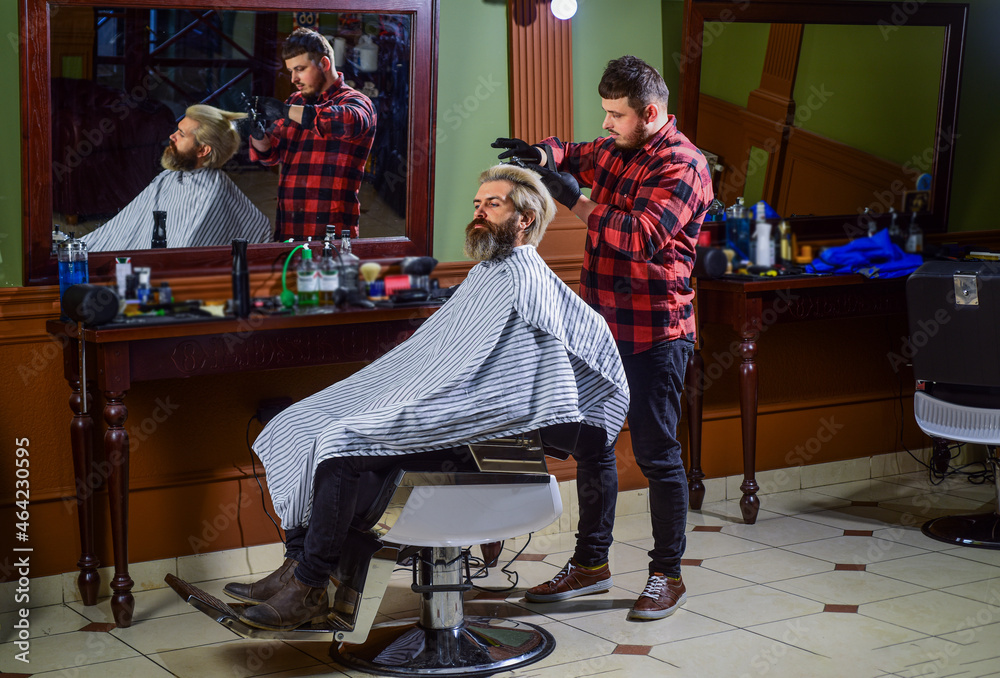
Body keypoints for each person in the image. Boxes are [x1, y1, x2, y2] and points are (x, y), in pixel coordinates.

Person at [224, 163, 629, 631]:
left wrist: (428, 406)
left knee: (343, 440)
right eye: (477, 205)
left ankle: (311, 585)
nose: (478, 214)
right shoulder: (489, 275)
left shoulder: (526, 282)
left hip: (488, 432)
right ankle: (297, 571)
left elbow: (517, 383)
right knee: (298, 423)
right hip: (460, 412)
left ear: (525, 219)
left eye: (492, 205)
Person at [493, 54, 714, 620]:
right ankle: (591, 564)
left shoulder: (684, 165)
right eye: (605, 112)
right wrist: (542, 154)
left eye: (616, 115)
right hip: (601, 329)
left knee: (657, 456)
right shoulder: (617, 145)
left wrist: (574, 199)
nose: (607, 124)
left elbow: (639, 236)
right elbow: (575, 153)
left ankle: (668, 575)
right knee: (592, 447)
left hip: (656, 333)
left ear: (651, 113)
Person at [79, 105, 271, 251]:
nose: (172, 136)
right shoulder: (168, 178)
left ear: (203, 150)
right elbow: (123, 227)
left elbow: (184, 251)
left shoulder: (210, 193)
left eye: (181, 134)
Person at [246, 28, 377, 241]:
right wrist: (258, 134)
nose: (293, 79)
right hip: (288, 224)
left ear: (324, 64)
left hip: (330, 230)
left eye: (299, 69)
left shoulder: (357, 101)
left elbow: (343, 121)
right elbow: (271, 155)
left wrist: (282, 110)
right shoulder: (295, 101)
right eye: (290, 71)